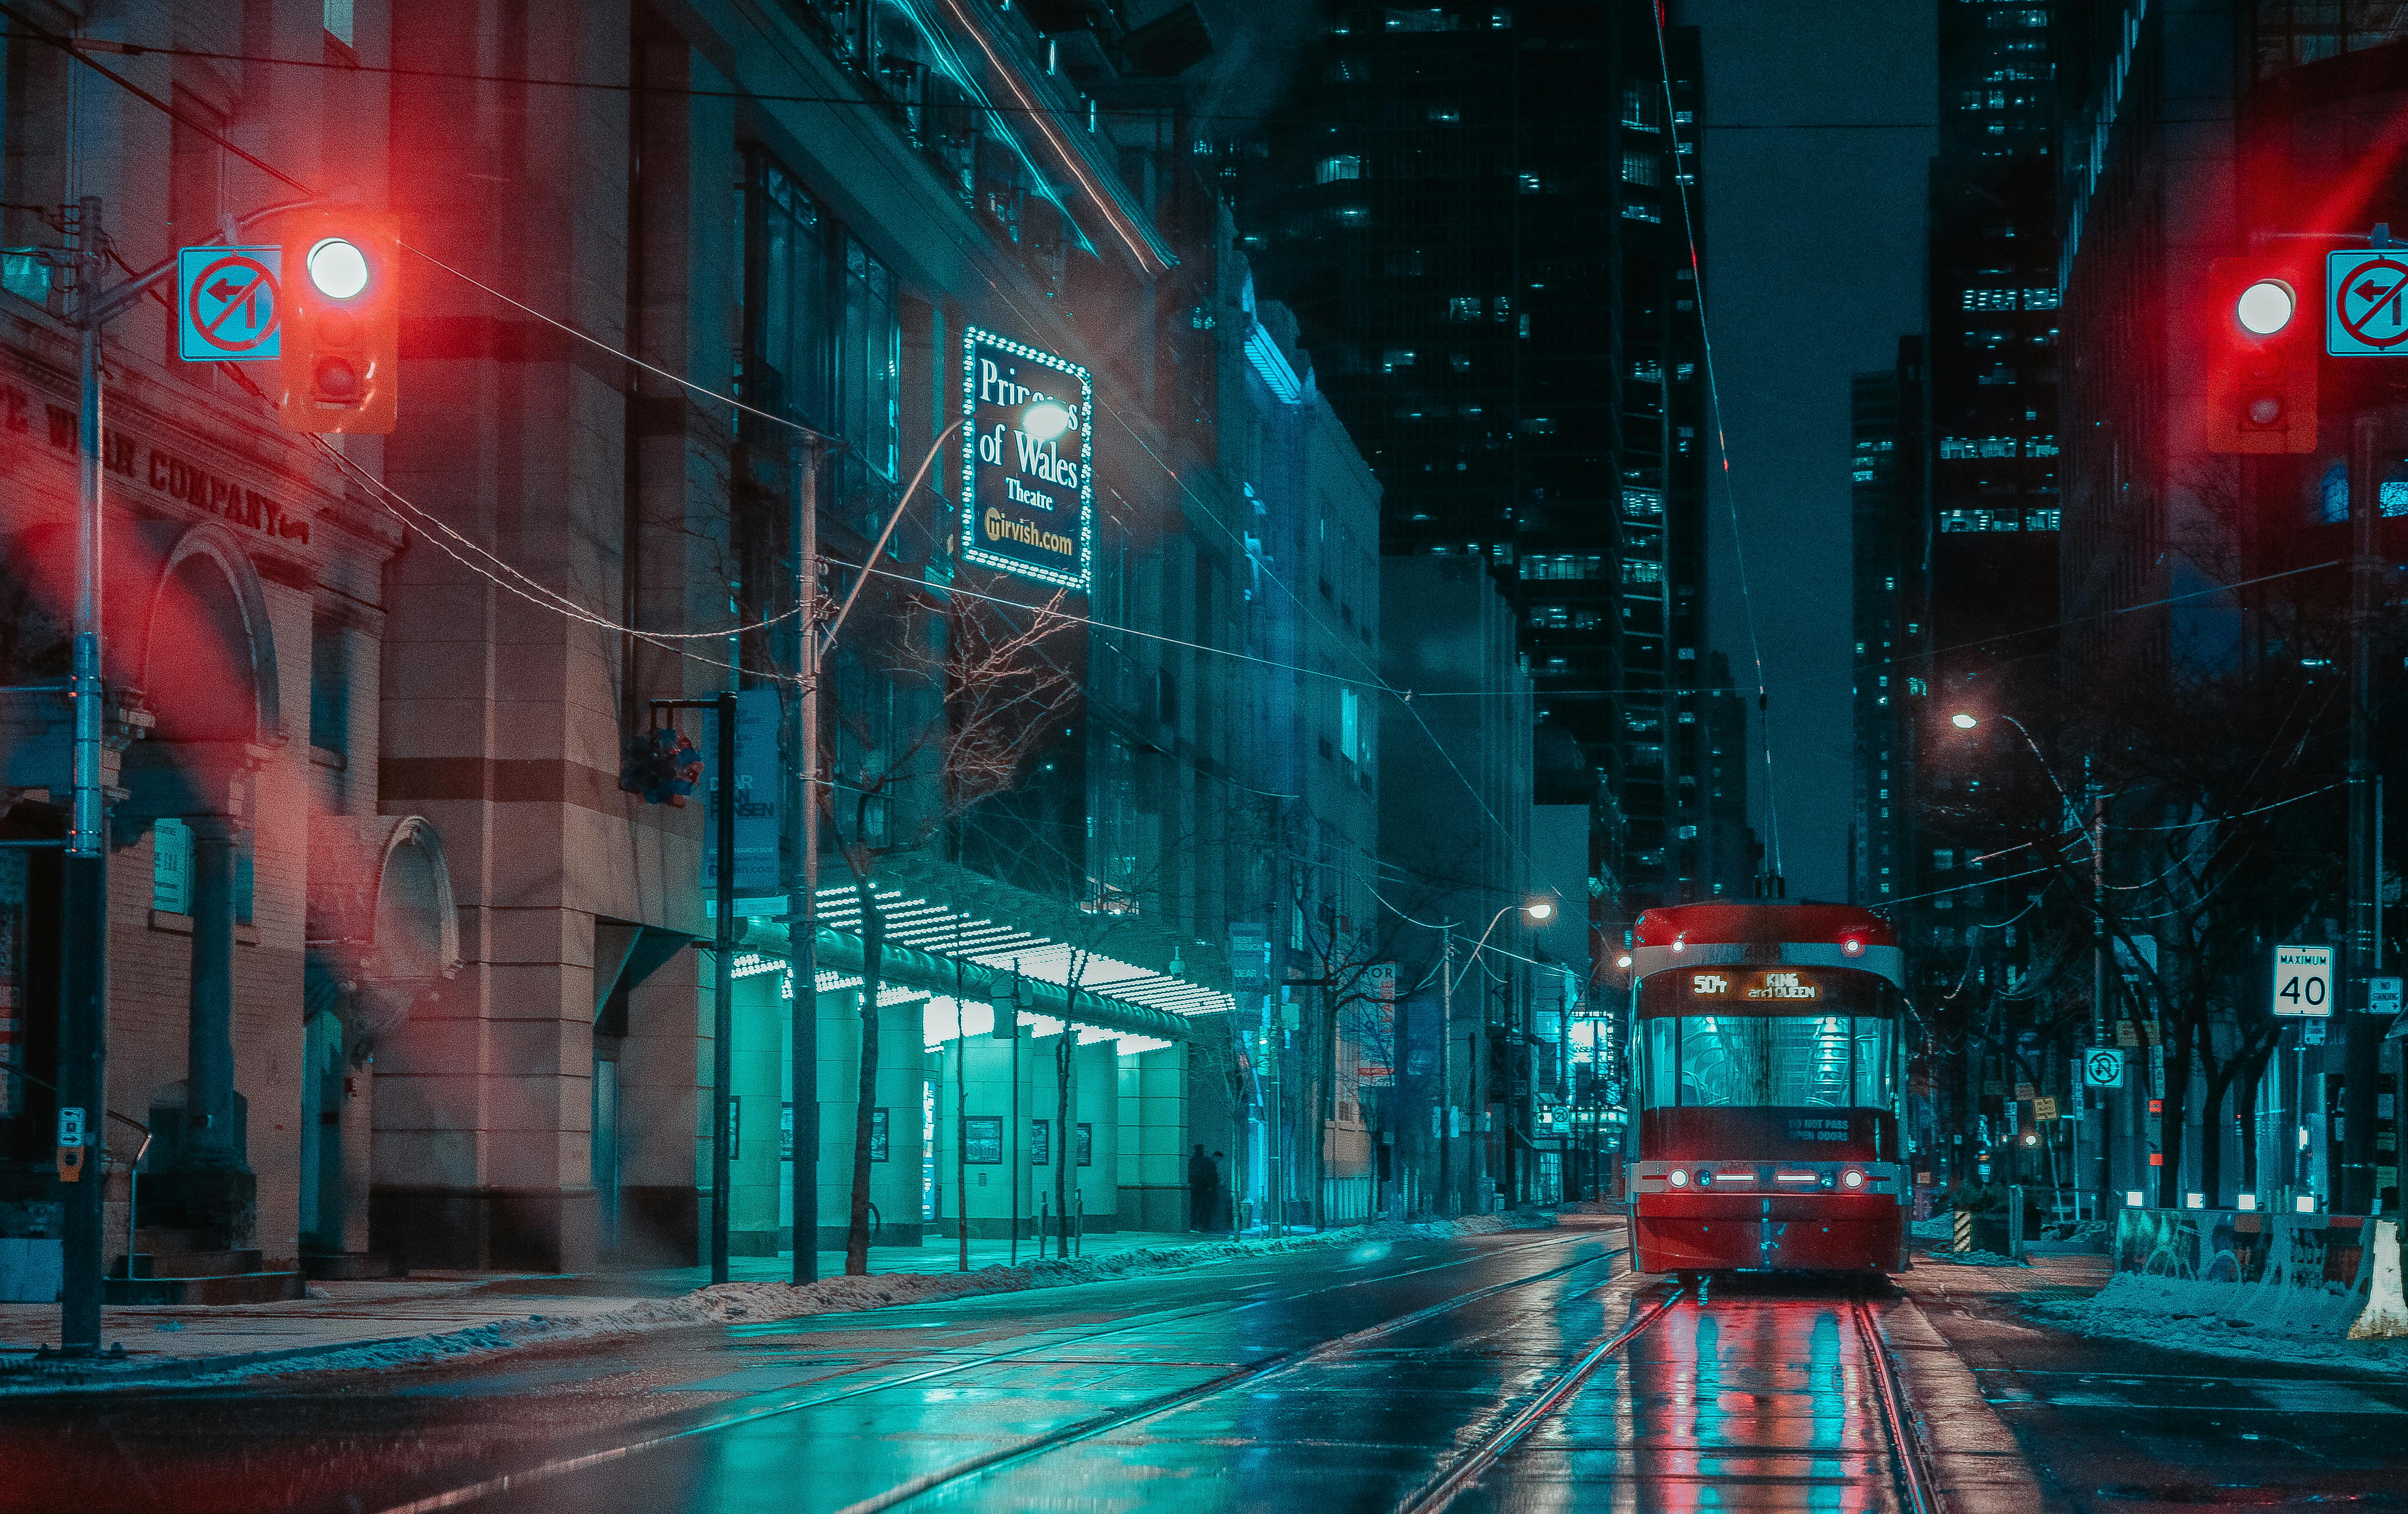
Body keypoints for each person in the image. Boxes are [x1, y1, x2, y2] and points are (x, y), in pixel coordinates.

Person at [1188, 1143, 1215, 1232]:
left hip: (1196, 1187)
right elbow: (1209, 1174)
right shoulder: (1205, 1161)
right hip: (1203, 1188)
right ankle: (1202, 1225)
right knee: (1203, 1208)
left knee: (1196, 1207)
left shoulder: (1193, 1161)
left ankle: (1196, 1225)